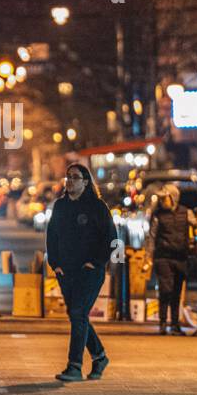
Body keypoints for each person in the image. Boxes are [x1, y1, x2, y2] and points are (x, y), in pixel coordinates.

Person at [45, 163, 114, 381]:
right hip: (66, 272)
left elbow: (112, 238)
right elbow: (51, 236)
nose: (70, 181)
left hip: (89, 272)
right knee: (77, 315)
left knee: (77, 314)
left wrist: (96, 262)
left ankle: (74, 366)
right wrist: (55, 263)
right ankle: (100, 356)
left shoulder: (97, 207)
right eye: (68, 177)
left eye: (75, 177)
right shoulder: (60, 206)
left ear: (85, 181)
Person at [144, 184, 196, 334]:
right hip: (163, 257)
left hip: (181, 257)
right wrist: (148, 256)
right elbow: (152, 237)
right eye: (160, 199)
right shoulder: (158, 215)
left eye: (164, 198)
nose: (162, 201)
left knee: (176, 292)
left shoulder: (186, 213)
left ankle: (174, 324)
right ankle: (162, 322)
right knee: (165, 289)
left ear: (173, 198)